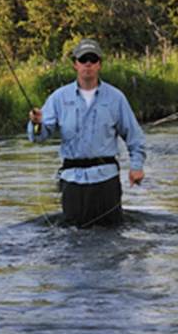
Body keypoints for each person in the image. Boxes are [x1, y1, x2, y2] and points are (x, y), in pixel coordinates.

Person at [28, 38, 145, 227]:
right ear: (75, 64)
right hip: (72, 182)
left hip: (106, 181)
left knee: (111, 239)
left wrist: (137, 166)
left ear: (100, 64)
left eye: (93, 59)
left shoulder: (116, 98)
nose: (88, 64)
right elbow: (39, 136)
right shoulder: (59, 98)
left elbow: (134, 136)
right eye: (83, 59)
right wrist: (36, 123)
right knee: (73, 243)